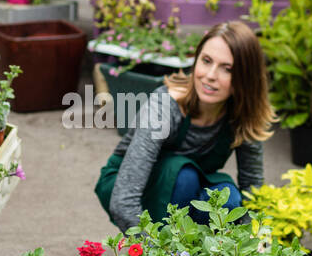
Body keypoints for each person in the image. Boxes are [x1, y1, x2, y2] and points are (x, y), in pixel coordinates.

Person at [96, 20, 276, 231]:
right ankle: (174, 252)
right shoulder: (165, 106)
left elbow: (252, 190)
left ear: (246, 78)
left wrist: (253, 245)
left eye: (227, 69)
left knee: (229, 200)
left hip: (188, 187)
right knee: (184, 176)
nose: (210, 75)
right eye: (206, 61)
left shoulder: (243, 116)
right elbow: (123, 200)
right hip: (127, 184)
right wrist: (153, 253)